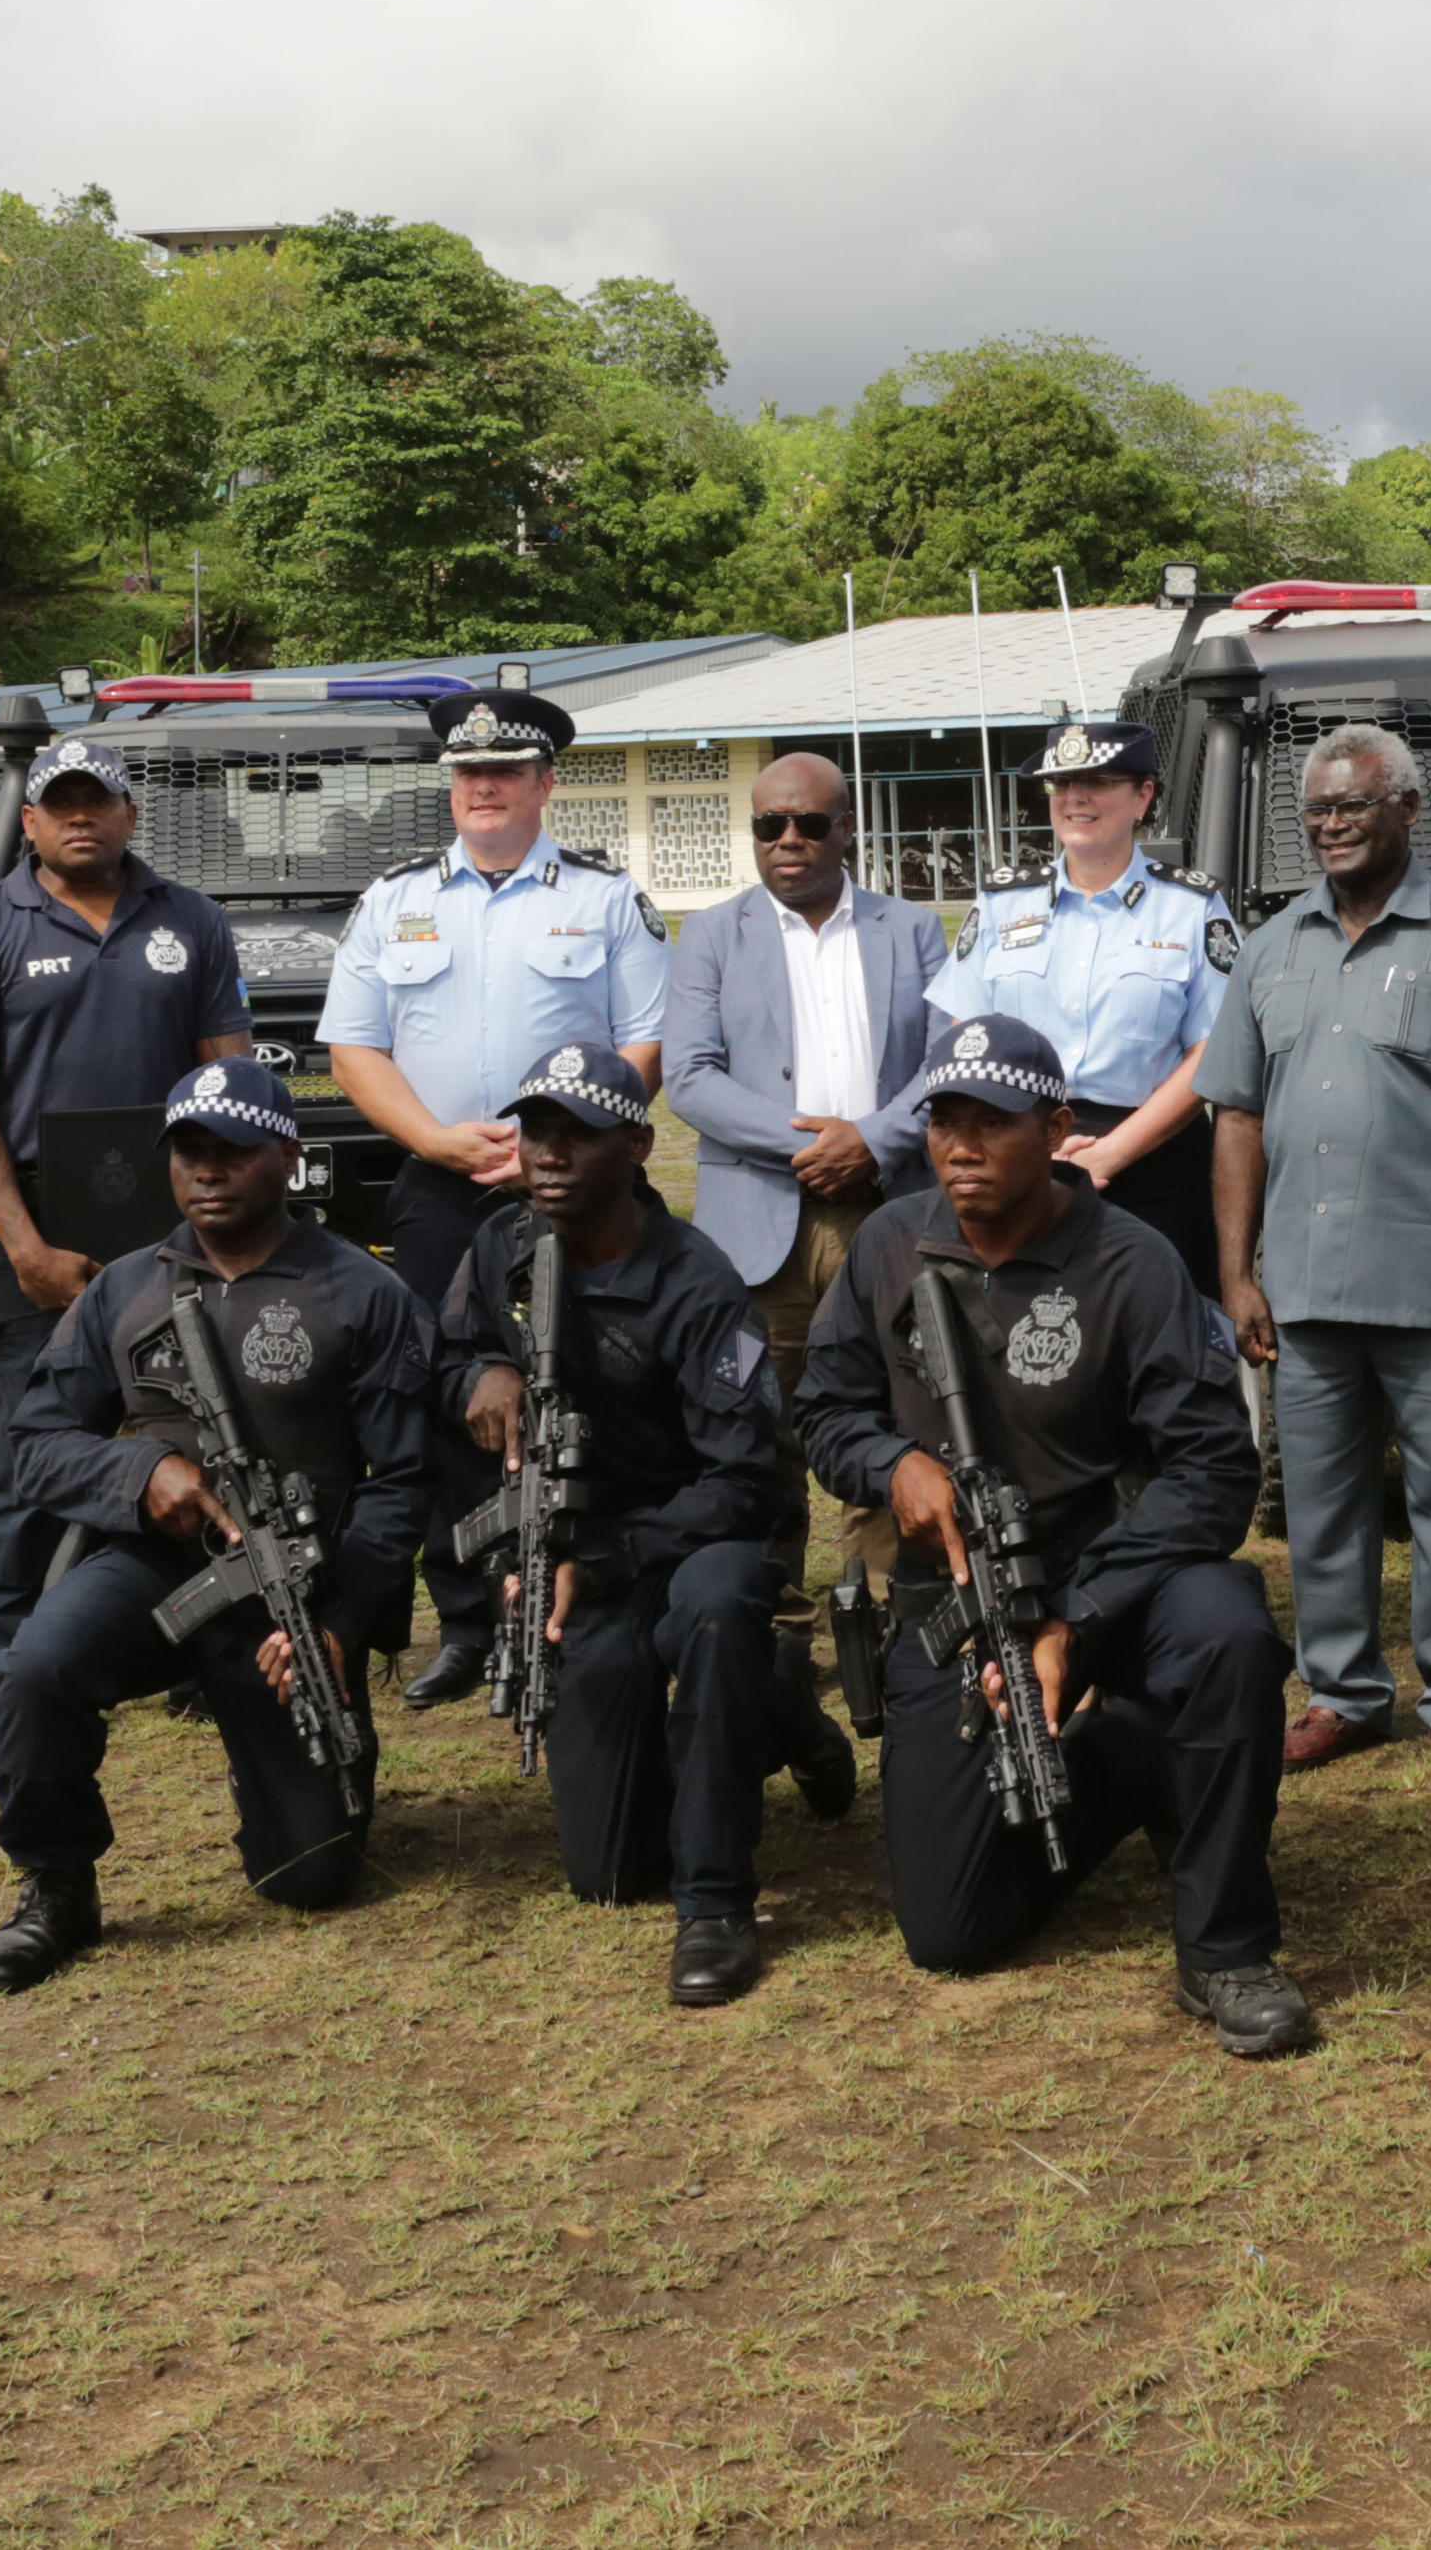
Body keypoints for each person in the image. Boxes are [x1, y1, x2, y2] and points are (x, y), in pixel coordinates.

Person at [797, 1013, 1318, 2059]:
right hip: (956, 1600)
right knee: (953, 1933)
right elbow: (823, 1409)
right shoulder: (888, 1247)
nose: (960, 1145)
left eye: (992, 1122)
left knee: (1227, 1630)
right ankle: (1128, 1761)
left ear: (1058, 1127)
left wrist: (1075, 1622)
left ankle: (1224, 1947)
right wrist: (890, 1464)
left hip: (1111, 1583)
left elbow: (1213, 1470)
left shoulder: (1133, 1264)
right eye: (944, 1119)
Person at [0, 1057, 433, 1992]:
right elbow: (34, 1442)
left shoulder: (361, 1292)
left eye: (233, 1150)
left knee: (310, 1876)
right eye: (189, 1151)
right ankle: (55, 1882)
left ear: (288, 1157)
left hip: (295, 1594)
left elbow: (403, 1481)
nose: (208, 1170)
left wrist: (339, 1627)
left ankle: (267, 1773)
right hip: (154, 1570)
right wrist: (141, 1471)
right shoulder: (126, 1287)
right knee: (37, 1669)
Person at [1202, 723, 1431, 1776]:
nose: (1329, 825)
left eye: (1351, 806)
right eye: (1316, 810)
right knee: (1319, 1506)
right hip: (1306, 1291)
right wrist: (1235, 1273)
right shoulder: (1270, 948)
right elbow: (1235, 1115)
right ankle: (1344, 1691)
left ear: (1407, 812)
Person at [442, 1045, 844, 2005]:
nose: (548, 1153)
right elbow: (450, 1348)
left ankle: (716, 1902)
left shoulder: (697, 1282)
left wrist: (607, 1552)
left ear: (635, 1145)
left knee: (713, 1613)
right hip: (587, 1550)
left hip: (702, 1535)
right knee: (611, 1873)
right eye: (536, 1131)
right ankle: (773, 1711)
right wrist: (480, 1375)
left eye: (576, 1135)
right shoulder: (501, 1247)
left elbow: (746, 1481)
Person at [317, 684, 668, 1713]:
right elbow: (354, 1046)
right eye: (468, 773)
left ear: (543, 784)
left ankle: (595, 1590)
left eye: (504, 772)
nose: (483, 787)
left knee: (599, 1385)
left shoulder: (605, 900)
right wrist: (429, 1136)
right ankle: (469, 1620)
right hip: (443, 1187)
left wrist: (563, 1139)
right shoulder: (394, 901)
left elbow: (645, 1040)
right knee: (445, 1397)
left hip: (583, 1186)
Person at [0, 729, 254, 1751]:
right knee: (28, 1449)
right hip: (41, 1241)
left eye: (96, 800)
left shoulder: (191, 923)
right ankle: (7, 1675)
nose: (78, 815)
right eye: (58, 801)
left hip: (177, 1236)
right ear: (28, 821)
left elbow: (229, 1086)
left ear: (127, 816)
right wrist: (22, 1245)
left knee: (211, 1439)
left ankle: (214, 1648)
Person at [657, 747, 943, 1742]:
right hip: (758, 1217)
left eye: (808, 825)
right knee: (758, 1426)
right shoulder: (710, 935)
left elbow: (947, 1059)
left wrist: (871, 1140)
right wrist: (810, 1140)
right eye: (768, 825)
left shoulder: (911, 930)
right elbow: (687, 1076)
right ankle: (775, 1632)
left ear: (847, 828)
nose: (786, 842)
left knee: (886, 1406)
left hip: (884, 1206)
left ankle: (879, 1613)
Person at [930, 717, 1237, 1298]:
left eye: (1097, 781)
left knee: (1161, 1341)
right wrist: (1022, 1145)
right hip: (1020, 1156)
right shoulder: (1001, 902)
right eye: (1061, 784)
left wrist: (1113, 1152)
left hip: (1153, 1161)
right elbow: (968, 1032)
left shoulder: (1191, 906)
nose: (1075, 797)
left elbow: (1214, 1047)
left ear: (1143, 795)